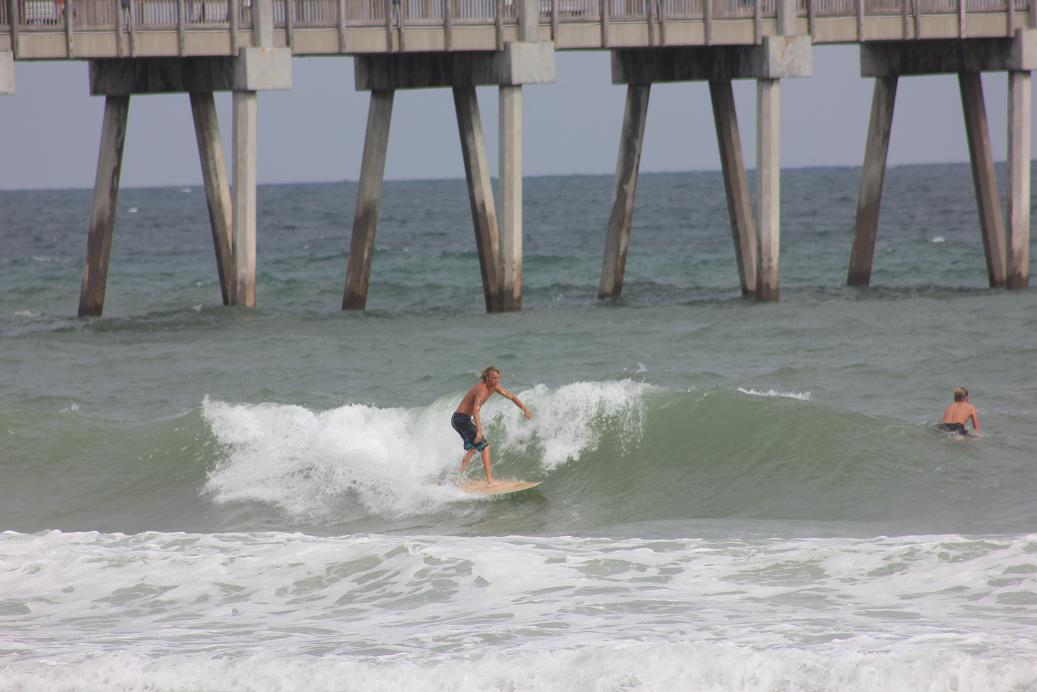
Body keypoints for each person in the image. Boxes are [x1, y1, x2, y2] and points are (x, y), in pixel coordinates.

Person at [451, 366, 533, 485]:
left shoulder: (495, 387)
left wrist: (525, 409)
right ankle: (490, 481)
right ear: (487, 377)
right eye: (493, 378)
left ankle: (459, 477)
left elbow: (512, 397)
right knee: (485, 447)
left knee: (473, 448)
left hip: (459, 419)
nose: (496, 381)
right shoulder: (481, 389)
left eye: (498, 378)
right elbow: (475, 410)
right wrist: (479, 431)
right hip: (461, 419)